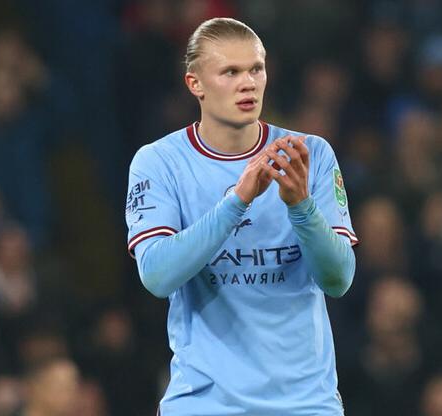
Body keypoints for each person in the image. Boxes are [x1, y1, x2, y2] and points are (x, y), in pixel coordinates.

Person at [125, 17, 358, 415]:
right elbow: (158, 276)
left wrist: (300, 206)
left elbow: (338, 280)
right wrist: (238, 201)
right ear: (195, 84)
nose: (247, 82)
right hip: (204, 404)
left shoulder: (310, 155)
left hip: (304, 404)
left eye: (256, 69)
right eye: (230, 72)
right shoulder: (159, 162)